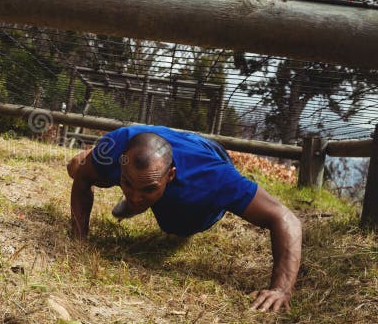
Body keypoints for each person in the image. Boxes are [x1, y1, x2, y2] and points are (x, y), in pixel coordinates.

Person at [66, 125, 302, 313]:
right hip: (161, 142)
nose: (136, 196)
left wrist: (281, 289)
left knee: (178, 224)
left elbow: (285, 218)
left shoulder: (213, 178)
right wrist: (79, 239)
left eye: (148, 189)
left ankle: (143, 195)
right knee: (78, 167)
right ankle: (110, 172)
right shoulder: (116, 145)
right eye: (127, 184)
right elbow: (84, 179)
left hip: (206, 153)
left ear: (170, 175)